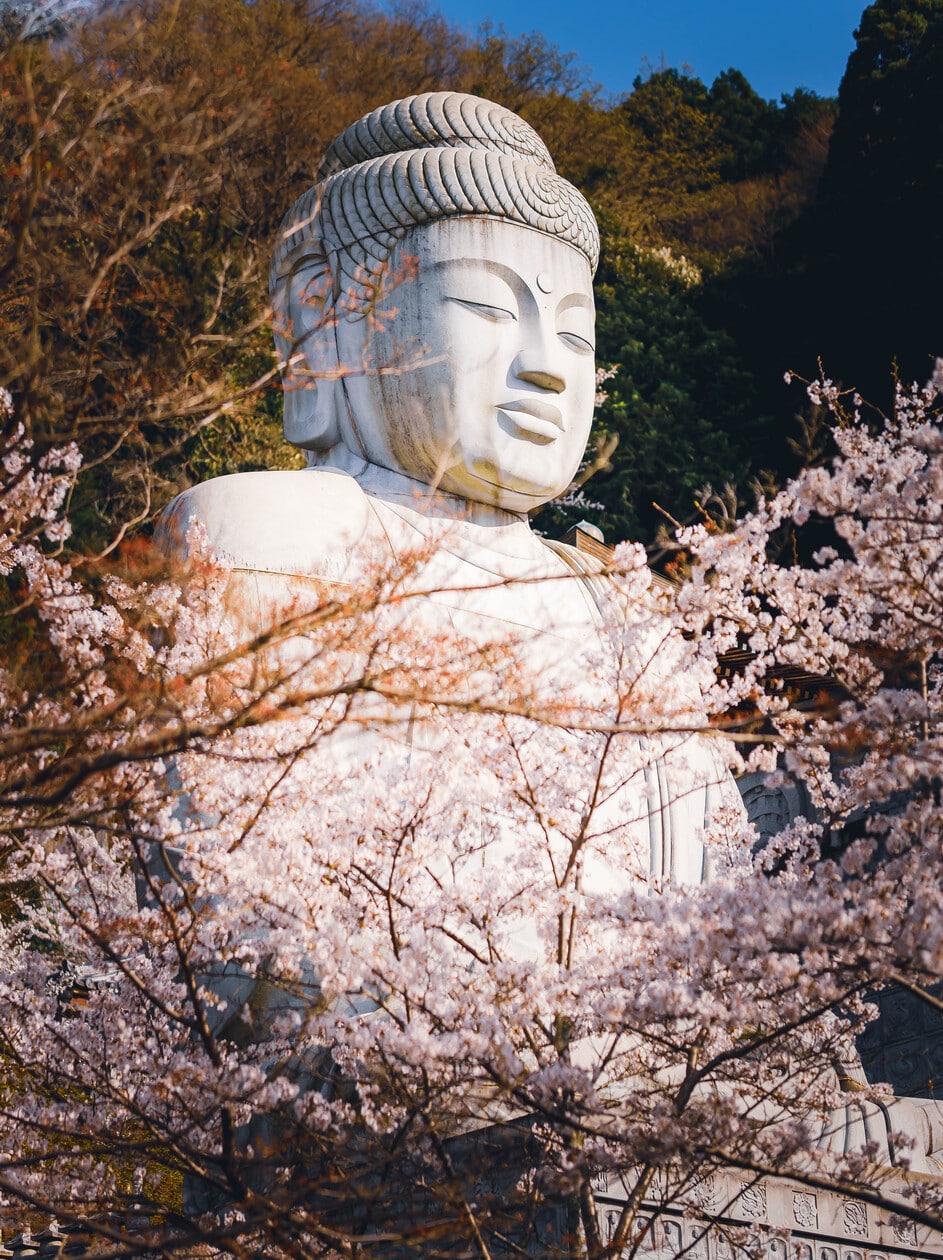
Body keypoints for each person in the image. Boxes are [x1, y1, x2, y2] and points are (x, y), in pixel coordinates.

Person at [162, 91, 736, 891]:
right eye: (488, 304)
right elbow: (234, 913)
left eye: (574, 333)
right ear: (325, 311)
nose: (546, 364)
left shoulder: (630, 618)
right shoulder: (269, 537)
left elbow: (731, 915)